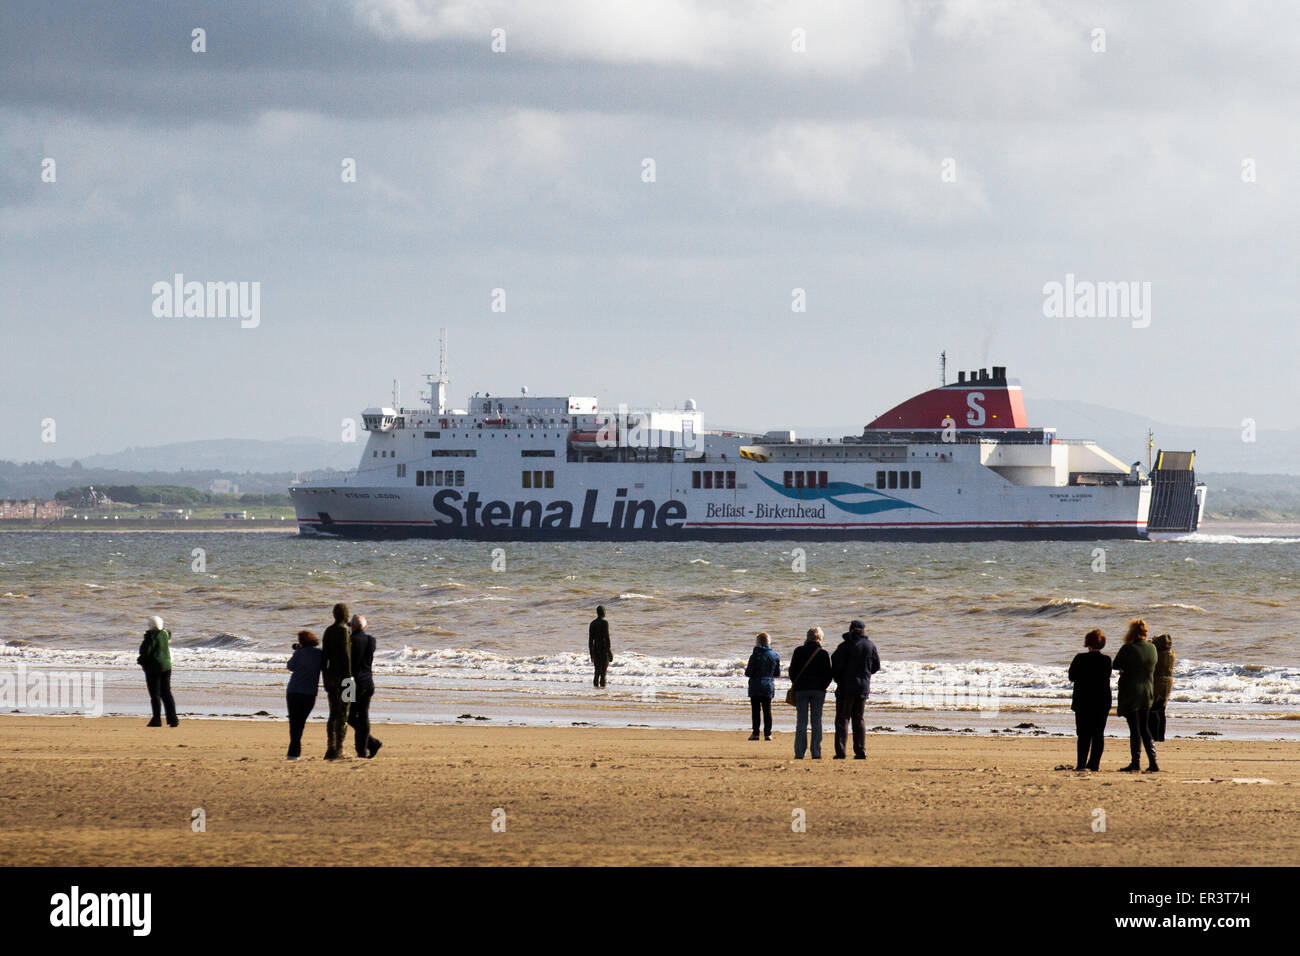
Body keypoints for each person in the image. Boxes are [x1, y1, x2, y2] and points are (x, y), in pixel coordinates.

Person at [1113, 618, 1158, 772]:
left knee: (1134, 729)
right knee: (1145, 728)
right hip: (1147, 691)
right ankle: (1153, 762)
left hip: (1131, 692)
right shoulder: (1152, 648)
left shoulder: (1128, 648)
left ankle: (1135, 762)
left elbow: (1115, 664)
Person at [830, 620, 880, 760]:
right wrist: (866, 675)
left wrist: (838, 679)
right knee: (859, 719)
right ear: (863, 631)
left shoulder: (843, 646)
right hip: (862, 686)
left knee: (842, 719)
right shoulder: (870, 646)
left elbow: (834, 666)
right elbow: (876, 666)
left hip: (845, 687)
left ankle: (841, 752)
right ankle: (860, 751)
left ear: (851, 630)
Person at [1068, 628, 1112, 771]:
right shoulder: (1106, 660)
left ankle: (1081, 764)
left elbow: (1072, 677)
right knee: (1098, 734)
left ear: (1088, 643)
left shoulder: (1079, 658)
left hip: (1083, 700)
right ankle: (1094, 764)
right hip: (1102, 700)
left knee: (1083, 734)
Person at [788, 627, 833, 759]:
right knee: (816, 721)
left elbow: (792, 672)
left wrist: (796, 684)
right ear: (819, 638)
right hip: (818, 690)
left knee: (801, 721)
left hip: (801, 689)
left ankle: (799, 752)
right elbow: (828, 675)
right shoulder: (823, 653)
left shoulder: (798, 651)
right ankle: (816, 752)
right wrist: (822, 686)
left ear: (807, 638)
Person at [347, 614, 382, 759]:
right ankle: (362, 750)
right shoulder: (371, 640)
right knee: (364, 716)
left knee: (348, 716)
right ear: (364, 627)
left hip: (350, 682)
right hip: (368, 681)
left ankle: (370, 744)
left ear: (353, 627)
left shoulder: (350, 641)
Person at [321, 602, 352, 760]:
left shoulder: (328, 631)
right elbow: (346, 657)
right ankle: (339, 749)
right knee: (344, 713)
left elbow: (324, 657)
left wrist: (325, 677)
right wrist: (350, 679)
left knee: (332, 713)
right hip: (345, 678)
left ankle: (330, 748)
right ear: (346, 616)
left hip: (330, 677)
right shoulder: (344, 632)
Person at [285, 630, 322, 760]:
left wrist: (297, 652)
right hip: (309, 692)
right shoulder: (319, 654)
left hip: (293, 691)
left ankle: (293, 753)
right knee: (300, 722)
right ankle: (294, 752)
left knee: (294, 723)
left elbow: (290, 666)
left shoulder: (299, 653)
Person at [137, 615, 178, 727]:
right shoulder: (165, 634)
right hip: (167, 666)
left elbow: (145, 651)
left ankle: (156, 720)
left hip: (154, 668)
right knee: (166, 693)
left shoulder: (151, 637)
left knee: (155, 695)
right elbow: (168, 634)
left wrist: (141, 661)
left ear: (150, 626)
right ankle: (173, 719)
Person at [745, 633, 781, 740]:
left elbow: (748, 672)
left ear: (758, 642)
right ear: (769, 642)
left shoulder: (754, 655)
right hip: (768, 685)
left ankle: (755, 733)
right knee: (767, 710)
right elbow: (777, 673)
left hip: (755, 685)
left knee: (755, 711)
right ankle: (768, 734)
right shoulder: (774, 655)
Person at [1150, 633, 1176, 743]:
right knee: (1162, 710)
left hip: (1157, 682)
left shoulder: (1157, 655)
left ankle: (1154, 735)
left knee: (1153, 710)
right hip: (1168, 683)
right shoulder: (1171, 654)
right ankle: (1161, 736)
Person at [588, 605, 612, 688]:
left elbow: (590, 641)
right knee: (603, 673)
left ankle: (596, 690)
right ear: (603, 612)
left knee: (597, 672)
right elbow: (607, 637)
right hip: (603, 649)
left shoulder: (592, 623)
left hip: (595, 649)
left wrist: (591, 654)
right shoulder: (605, 623)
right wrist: (609, 651)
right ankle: (602, 690)